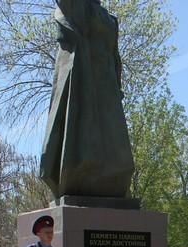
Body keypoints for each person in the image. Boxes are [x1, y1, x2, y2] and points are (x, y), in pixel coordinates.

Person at [40, 0, 134, 199]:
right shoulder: (78, 8)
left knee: (119, 155)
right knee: (82, 141)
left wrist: (117, 85)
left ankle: (111, 180)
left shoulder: (109, 19)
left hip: (107, 87)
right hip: (82, 82)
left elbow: (114, 55)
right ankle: (80, 174)